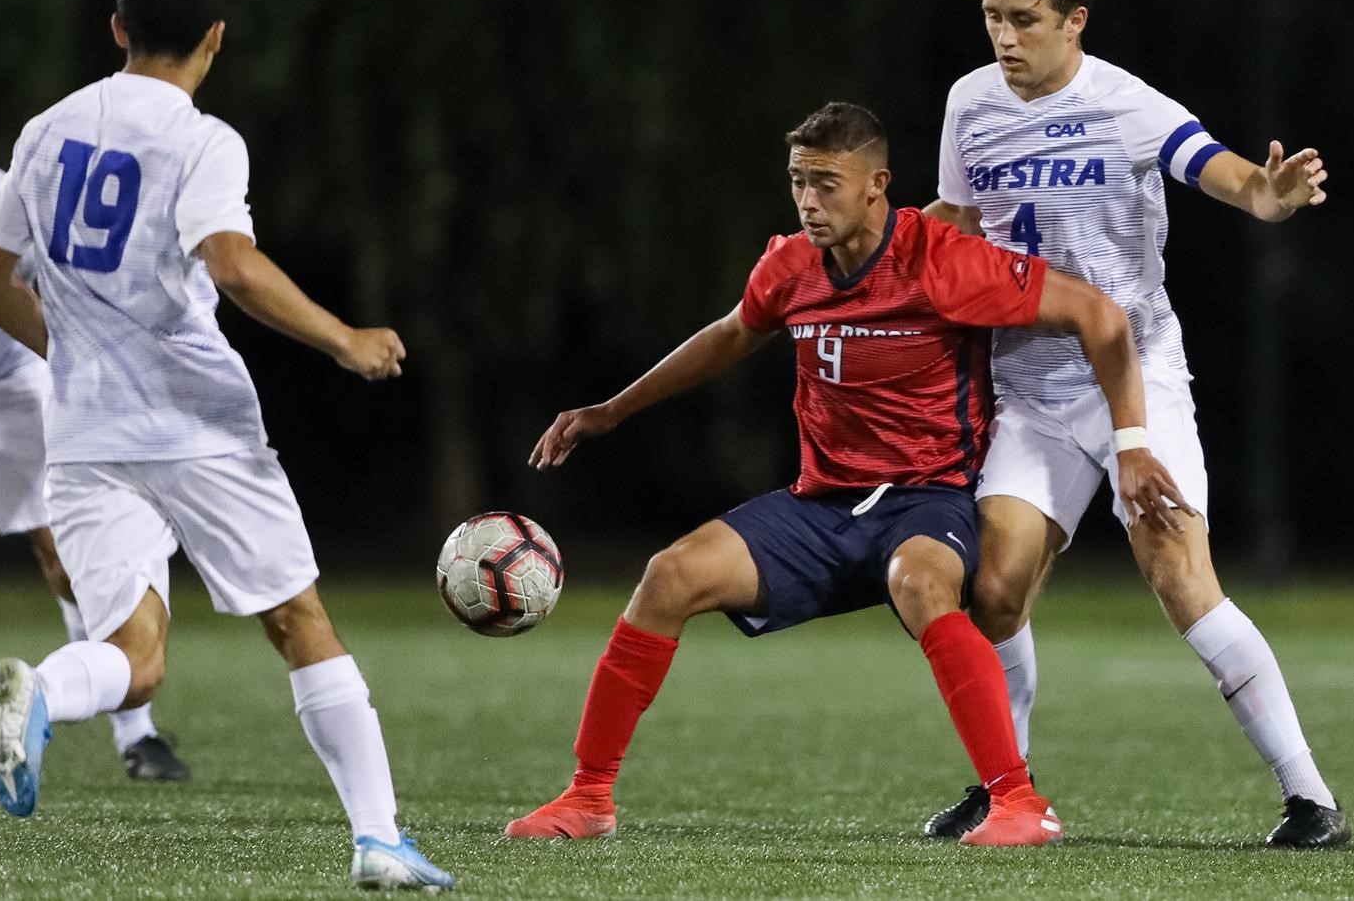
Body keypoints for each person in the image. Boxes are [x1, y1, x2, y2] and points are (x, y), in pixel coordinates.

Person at [502, 102, 1183, 847]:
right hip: (822, 508)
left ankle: (1018, 802)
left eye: (826, 183)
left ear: (876, 185)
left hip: (929, 498)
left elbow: (1100, 315)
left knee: (923, 582)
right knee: (668, 575)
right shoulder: (791, 266)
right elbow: (732, 333)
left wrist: (1132, 441)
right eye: (798, 182)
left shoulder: (941, 260)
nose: (807, 201)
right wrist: (612, 410)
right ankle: (587, 797)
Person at [0, 0, 452, 891]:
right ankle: (380, 841)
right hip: (197, 428)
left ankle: (45, 694)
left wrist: (71, 356)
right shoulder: (202, 140)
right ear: (216, 38)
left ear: (118, 27)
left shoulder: (46, 128)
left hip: (85, 433)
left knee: (133, 664)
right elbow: (231, 262)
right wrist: (344, 338)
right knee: (299, 619)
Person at [921, 0, 1347, 848]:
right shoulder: (969, 103)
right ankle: (1007, 790)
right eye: (991, 16)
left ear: (1074, 20)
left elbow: (1226, 173)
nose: (1003, 36)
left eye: (1023, 18)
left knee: (1178, 574)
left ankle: (1311, 798)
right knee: (992, 592)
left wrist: (1268, 196)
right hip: (1029, 386)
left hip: (1136, 377)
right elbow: (954, 219)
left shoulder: (1125, 104)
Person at [0, 70, 191, 781]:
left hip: (8, 386)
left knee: (65, 558)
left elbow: (72, 291)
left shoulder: (2, 198)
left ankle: (135, 734)